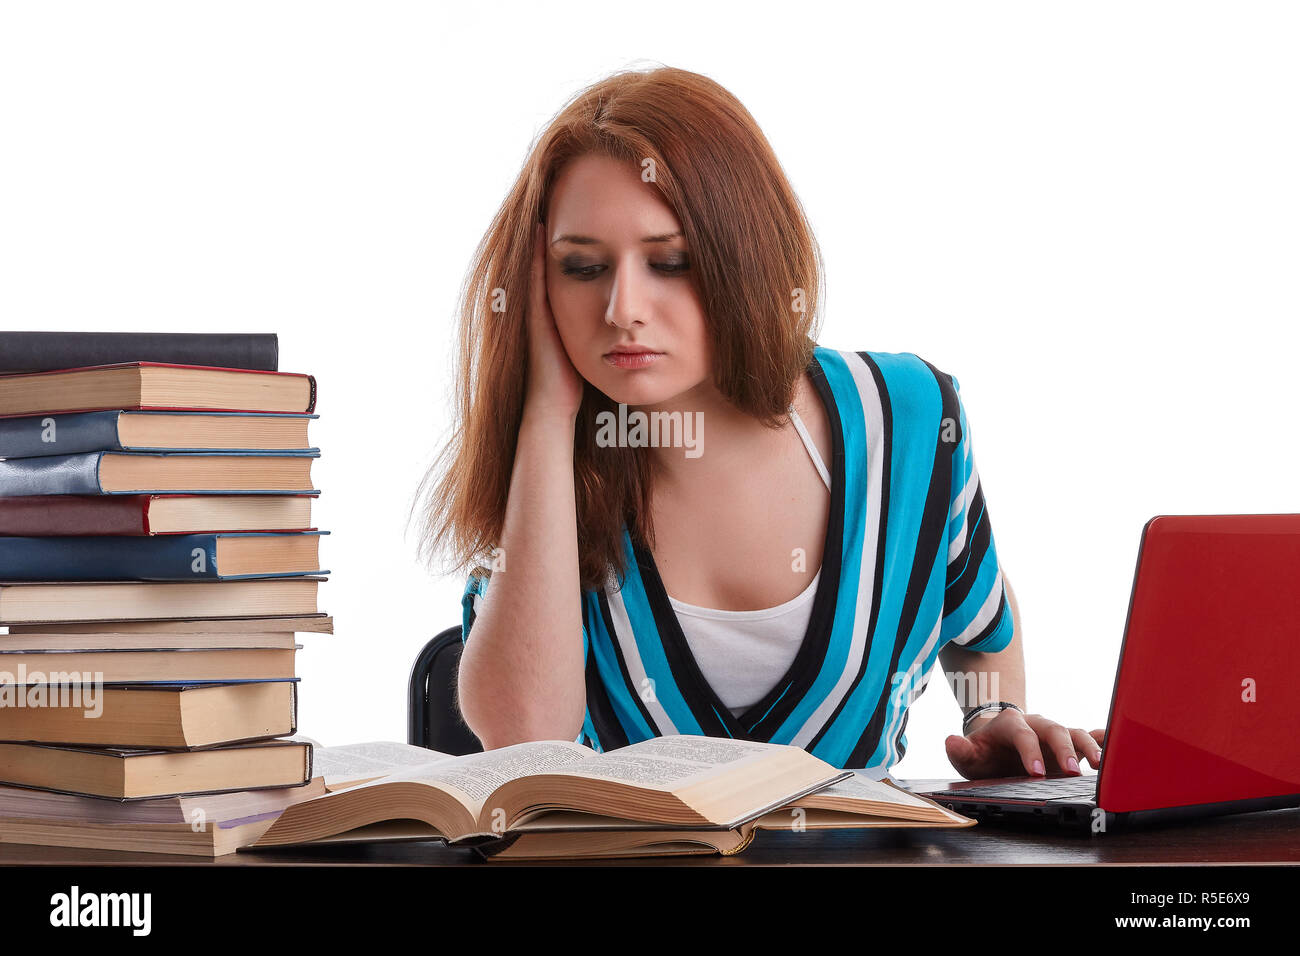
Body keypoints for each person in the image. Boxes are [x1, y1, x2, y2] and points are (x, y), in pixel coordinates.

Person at [420, 65, 1104, 776]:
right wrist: (543, 418)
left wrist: (994, 715)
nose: (623, 308)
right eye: (583, 268)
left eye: (671, 261)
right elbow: (526, 736)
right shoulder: (553, 474)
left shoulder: (908, 418)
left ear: (743, 255)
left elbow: (976, 612)